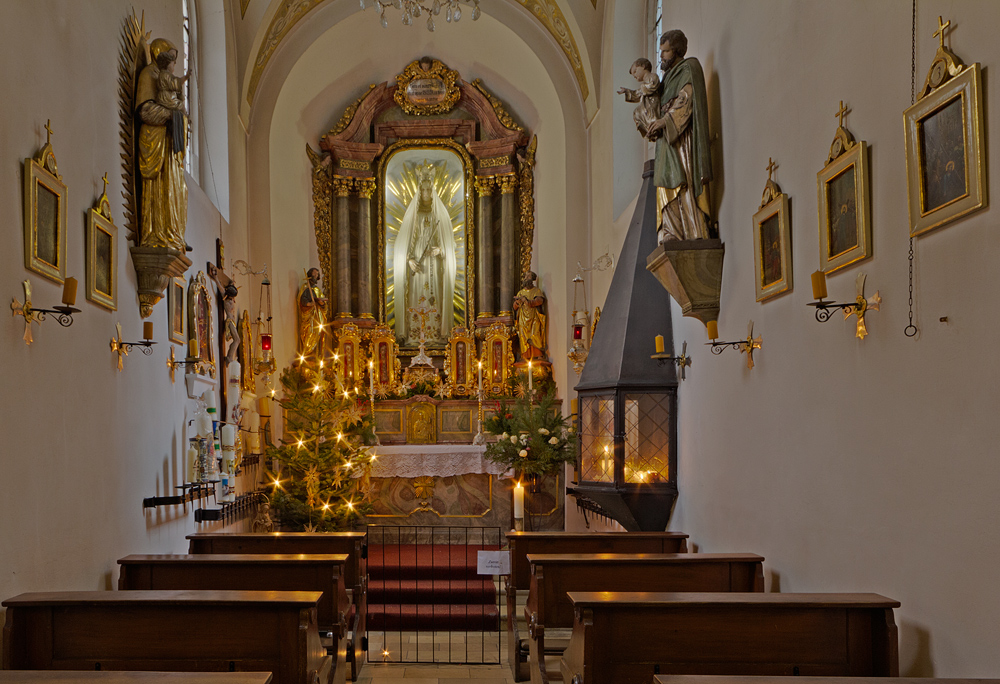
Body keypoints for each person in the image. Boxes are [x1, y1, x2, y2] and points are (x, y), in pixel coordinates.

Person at [647, 29, 714, 244]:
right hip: (666, 140)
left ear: (676, 51)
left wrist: (665, 122)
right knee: (665, 186)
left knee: (683, 184)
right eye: (661, 51)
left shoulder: (688, 68)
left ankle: (692, 231)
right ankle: (671, 232)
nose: (661, 56)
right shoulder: (666, 79)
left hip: (682, 141)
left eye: (665, 51)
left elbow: (686, 101)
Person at [392, 162, 456, 345]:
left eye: (429, 190)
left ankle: (434, 334)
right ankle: (414, 335)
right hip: (419, 260)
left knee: (433, 293)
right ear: (419, 193)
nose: (426, 194)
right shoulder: (414, 216)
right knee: (417, 293)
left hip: (433, 263)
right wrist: (409, 260)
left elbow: (448, 246)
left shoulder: (440, 217)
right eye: (424, 191)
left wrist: (440, 250)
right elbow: (404, 244)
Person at [135, 37, 189, 252]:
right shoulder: (149, 75)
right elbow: (145, 110)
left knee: (178, 190)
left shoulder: (165, 79)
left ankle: (173, 233)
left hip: (169, 147)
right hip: (156, 144)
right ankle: (157, 233)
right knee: (159, 189)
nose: (174, 65)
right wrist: (172, 115)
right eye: (172, 60)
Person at [617, 57, 662, 140]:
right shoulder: (643, 85)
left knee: (649, 113)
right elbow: (638, 93)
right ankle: (648, 130)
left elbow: (653, 84)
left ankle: (654, 128)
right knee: (636, 112)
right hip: (646, 103)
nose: (635, 75)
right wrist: (627, 91)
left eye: (635, 71)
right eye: (634, 76)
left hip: (652, 102)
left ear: (643, 66)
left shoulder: (652, 76)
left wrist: (643, 88)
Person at [513, 271, 547, 361]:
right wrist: (517, 302)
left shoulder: (536, 291)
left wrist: (527, 301)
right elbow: (515, 307)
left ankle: (538, 353)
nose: (526, 278)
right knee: (523, 336)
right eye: (525, 276)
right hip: (523, 318)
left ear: (532, 279)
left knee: (535, 334)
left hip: (533, 316)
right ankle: (525, 355)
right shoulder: (520, 292)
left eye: (528, 276)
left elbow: (540, 301)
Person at [298, 268, 327, 358]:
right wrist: (309, 304)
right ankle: (308, 353)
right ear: (310, 275)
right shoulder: (305, 288)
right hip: (309, 316)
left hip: (318, 316)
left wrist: (322, 303)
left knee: (318, 333)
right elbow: (302, 300)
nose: (315, 276)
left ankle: (316, 354)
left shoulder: (318, 290)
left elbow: (324, 306)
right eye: (314, 274)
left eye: (317, 274)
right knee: (309, 333)